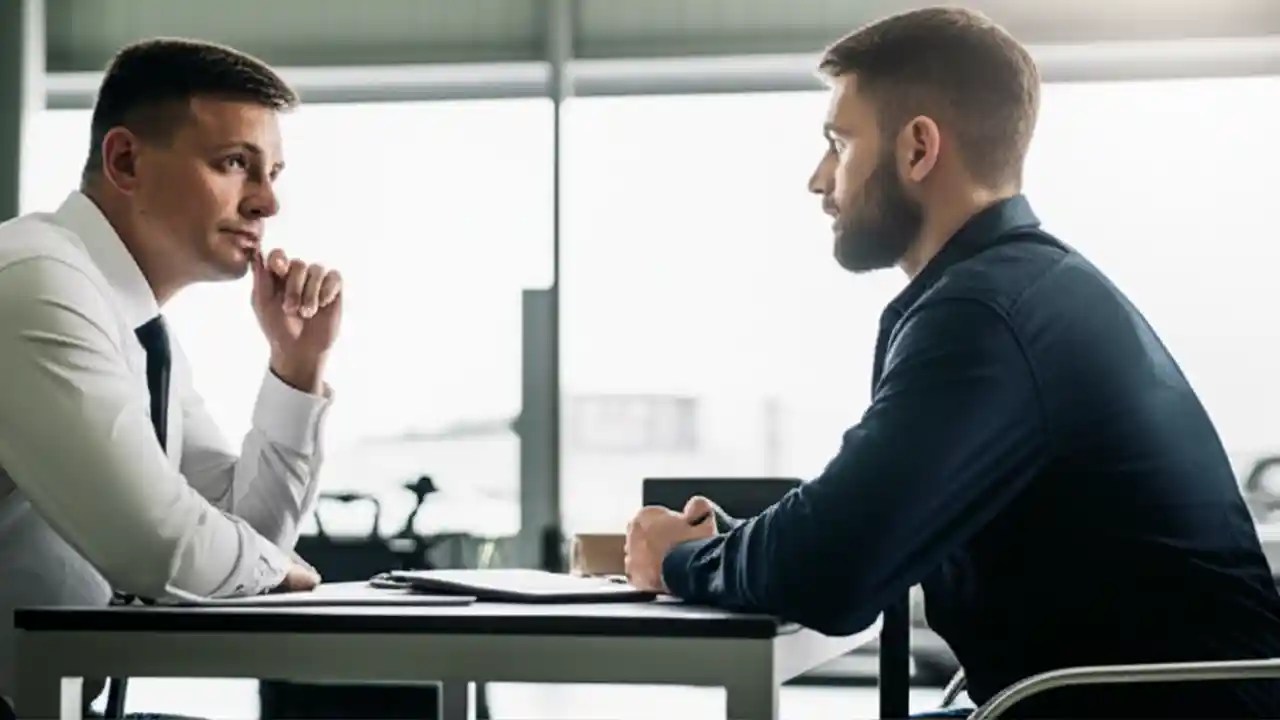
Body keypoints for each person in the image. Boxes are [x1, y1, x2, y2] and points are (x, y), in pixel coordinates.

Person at [623, 7, 1280, 718]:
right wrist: (740, 545)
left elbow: (835, 572)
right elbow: (862, 520)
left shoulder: (984, 317)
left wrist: (679, 561)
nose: (819, 180)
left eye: (839, 143)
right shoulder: (1026, 291)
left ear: (917, 149)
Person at [0, 38, 341, 714]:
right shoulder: (36, 282)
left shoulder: (138, 331)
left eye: (273, 172)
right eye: (235, 164)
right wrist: (280, 573)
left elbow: (240, 531)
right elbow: (163, 550)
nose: (267, 203)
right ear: (125, 160)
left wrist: (296, 371)